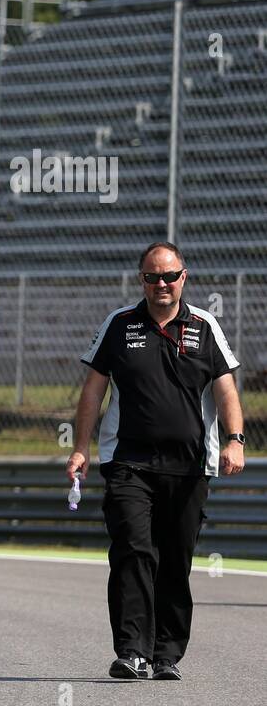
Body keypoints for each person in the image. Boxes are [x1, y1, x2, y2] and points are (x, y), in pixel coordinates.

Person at [68, 242, 244, 681]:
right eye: (152, 277)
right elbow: (93, 390)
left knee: (175, 561)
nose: (161, 284)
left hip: (189, 467)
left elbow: (226, 390)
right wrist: (80, 447)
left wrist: (234, 439)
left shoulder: (205, 326)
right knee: (132, 552)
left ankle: (166, 653)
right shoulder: (119, 323)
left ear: (184, 277)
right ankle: (132, 650)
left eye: (169, 276)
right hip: (128, 462)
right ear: (141, 279)